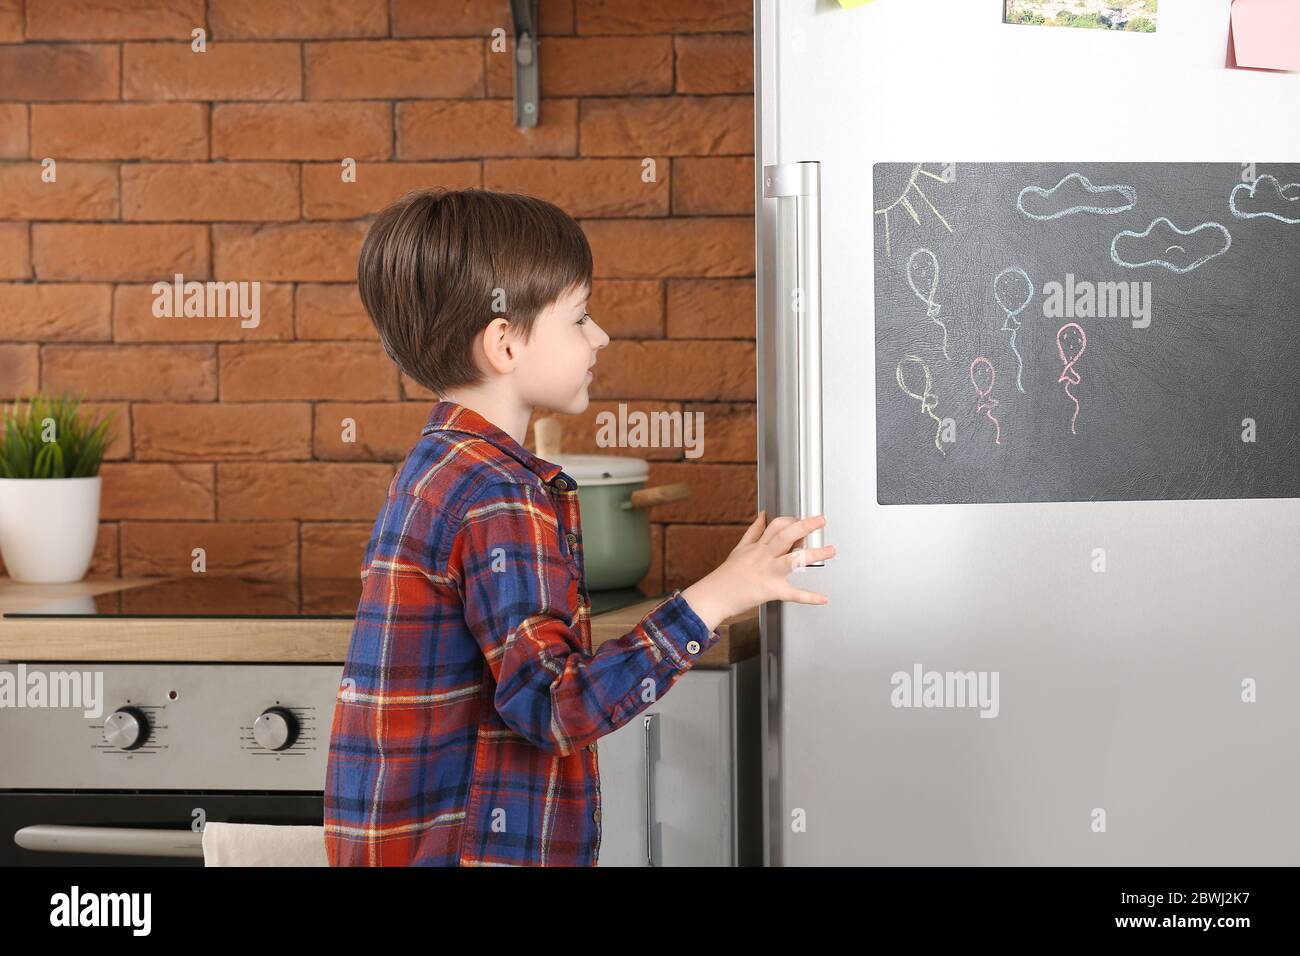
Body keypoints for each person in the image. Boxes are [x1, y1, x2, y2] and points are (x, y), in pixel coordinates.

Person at [323, 187, 834, 866]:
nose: (601, 337)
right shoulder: (497, 492)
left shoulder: (438, 465)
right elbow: (555, 707)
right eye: (580, 319)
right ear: (504, 343)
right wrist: (717, 597)